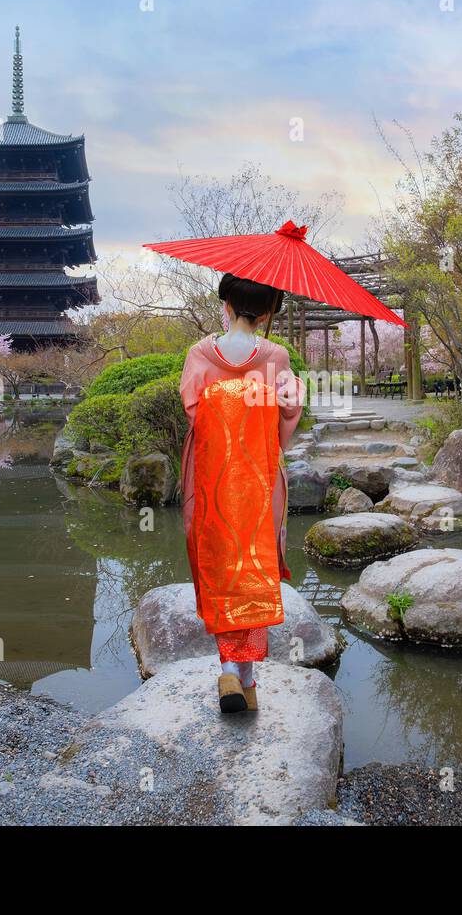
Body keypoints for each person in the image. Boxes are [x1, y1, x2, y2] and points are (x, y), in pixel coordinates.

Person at [178, 273, 305, 714]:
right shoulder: (276, 355)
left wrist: (226, 400)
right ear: (268, 313)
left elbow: (195, 414)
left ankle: (234, 672)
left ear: (226, 306)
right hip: (260, 479)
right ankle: (242, 676)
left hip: (212, 479)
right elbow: (288, 412)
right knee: (256, 564)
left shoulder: (199, 353)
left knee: (219, 564)